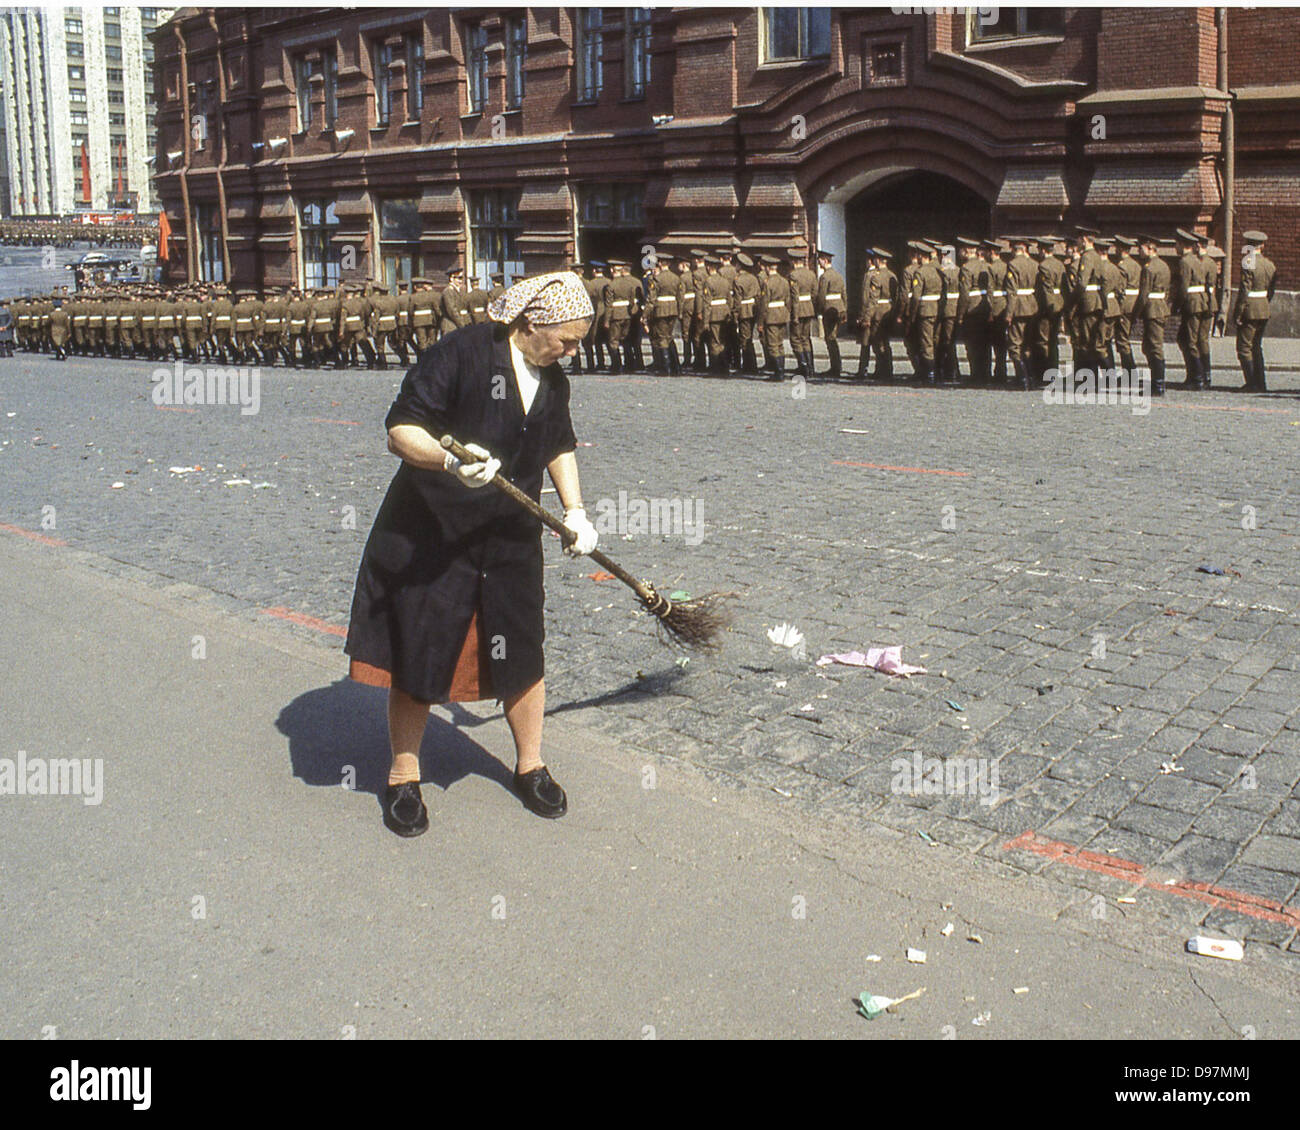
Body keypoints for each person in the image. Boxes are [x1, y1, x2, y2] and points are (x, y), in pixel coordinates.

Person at [344, 272, 597, 836]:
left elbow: (558, 443)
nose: (573, 352)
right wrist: (450, 462)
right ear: (533, 324)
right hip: (435, 534)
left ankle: (530, 765)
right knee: (423, 650)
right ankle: (403, 777)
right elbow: (400, 430)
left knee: (522, 647)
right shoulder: (461, 354)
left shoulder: (553, 378)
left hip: (509, 538)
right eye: (568, 340)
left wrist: (575, 511)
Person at [1230, 230, 1275, 392]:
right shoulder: (1270, 264)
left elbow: (1244, 290)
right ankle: (1260, 382)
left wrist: (1238, 312)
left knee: (1244, 347)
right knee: (1257, 346)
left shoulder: (1248, 262)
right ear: (1262, 246)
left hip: (1250, 308)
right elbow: (1271, 290)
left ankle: (1252, 382)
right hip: (1263, 307)